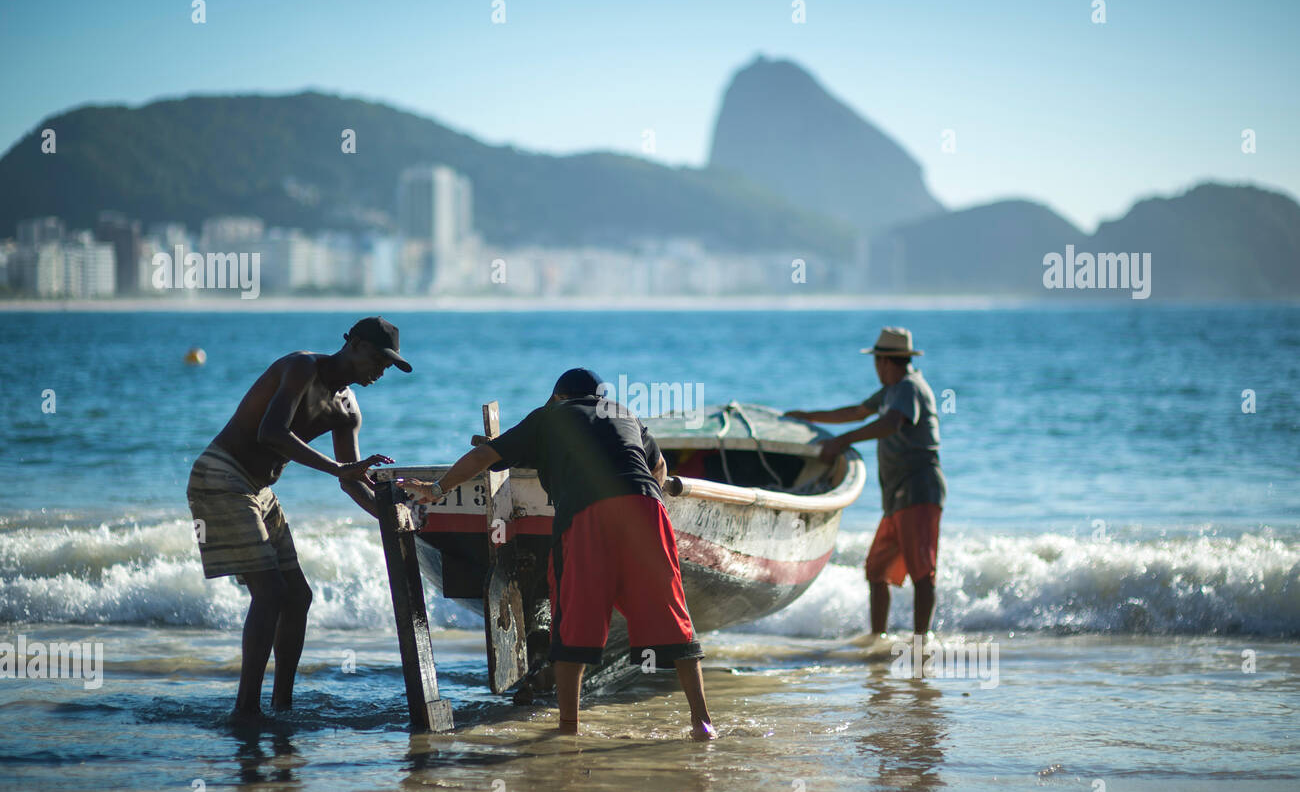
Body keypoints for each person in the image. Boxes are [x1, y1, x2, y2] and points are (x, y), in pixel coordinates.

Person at [406, 368, 716, 740]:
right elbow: (659, 469)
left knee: (574, 620)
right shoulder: (624, 413)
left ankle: (569, 727)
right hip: (646, 508)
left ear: (557, 397)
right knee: (671, 614)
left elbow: (485, 455)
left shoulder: (549, 415)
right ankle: (702, 722)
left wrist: (436, 489)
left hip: (588, 513)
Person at [187, 316, 409, 716]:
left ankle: (282, 707)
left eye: (388, 365)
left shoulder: (348, 409)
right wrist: (339, 469)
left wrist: (391, 518)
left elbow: (351, 480)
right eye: (378, 359)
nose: (381, 371)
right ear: (354, 344)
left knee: (298, 597)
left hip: (259, 490)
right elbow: (270, 432)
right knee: (270, 593)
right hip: (220, 475)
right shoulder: (302, 367)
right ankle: (246, 711)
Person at [787, 327, 946, 637]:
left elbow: (890, 424)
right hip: (897, 496)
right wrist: (809, 416)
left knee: (922, 573)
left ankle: (921, 643)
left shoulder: (909, 388)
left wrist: (842, 441)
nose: (876, 368)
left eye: (877, 362)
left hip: (918, 489)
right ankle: (878, 640)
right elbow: (858, 412)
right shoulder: (891, 391)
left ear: (887, 362)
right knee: (876, 570)